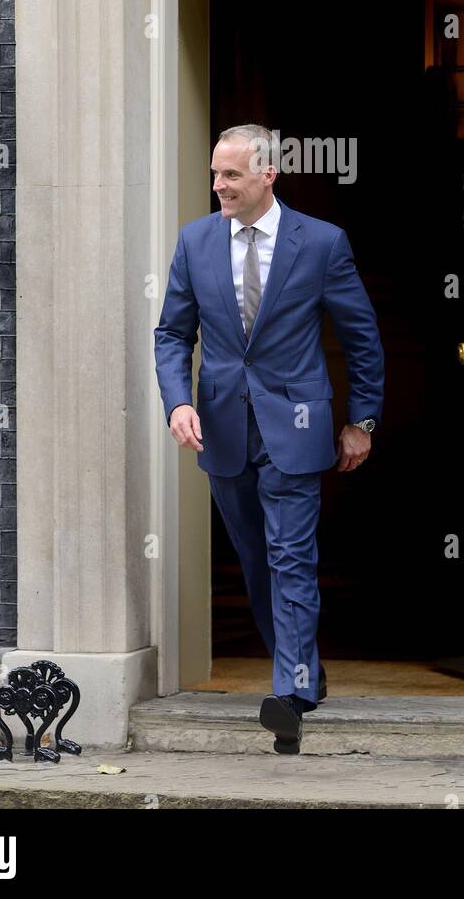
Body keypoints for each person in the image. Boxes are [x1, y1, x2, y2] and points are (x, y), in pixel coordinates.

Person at [154, 124, 384, 754]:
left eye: (230, 175)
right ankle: (304, 664)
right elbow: (172, 333)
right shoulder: (195, 241)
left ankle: (289, 694)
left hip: (297, 428)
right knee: (255, 562)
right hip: (223, 430)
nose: (218, 186)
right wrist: (177, 401)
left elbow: (362, 338)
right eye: (214, 174)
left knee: (291, 558)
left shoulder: (322, 243)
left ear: (266, 174)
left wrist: (360, 422)